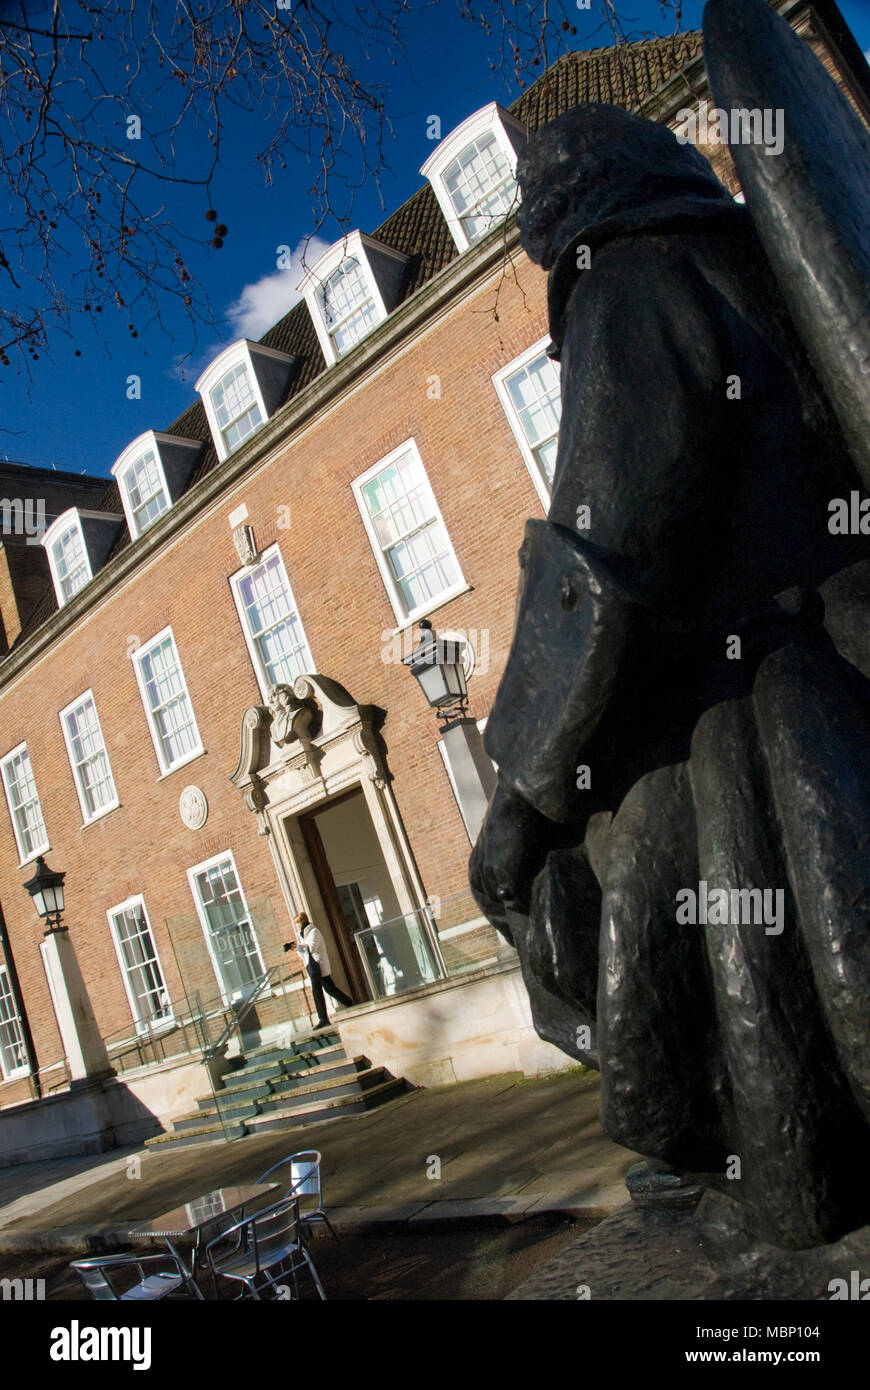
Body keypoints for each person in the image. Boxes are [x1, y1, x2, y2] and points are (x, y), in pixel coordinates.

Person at [285, 911, 353, 1030]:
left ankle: (327, 1017)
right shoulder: (303, 935)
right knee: (326, 989)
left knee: (325, 989)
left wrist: (296, 947)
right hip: (313, 967)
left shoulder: (314, 932)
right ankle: (343, 1007)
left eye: (297, 923)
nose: (296, 926)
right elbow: (304, 954)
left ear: (302, 922)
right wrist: (294, 948)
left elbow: (311, 948)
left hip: (319, 966)